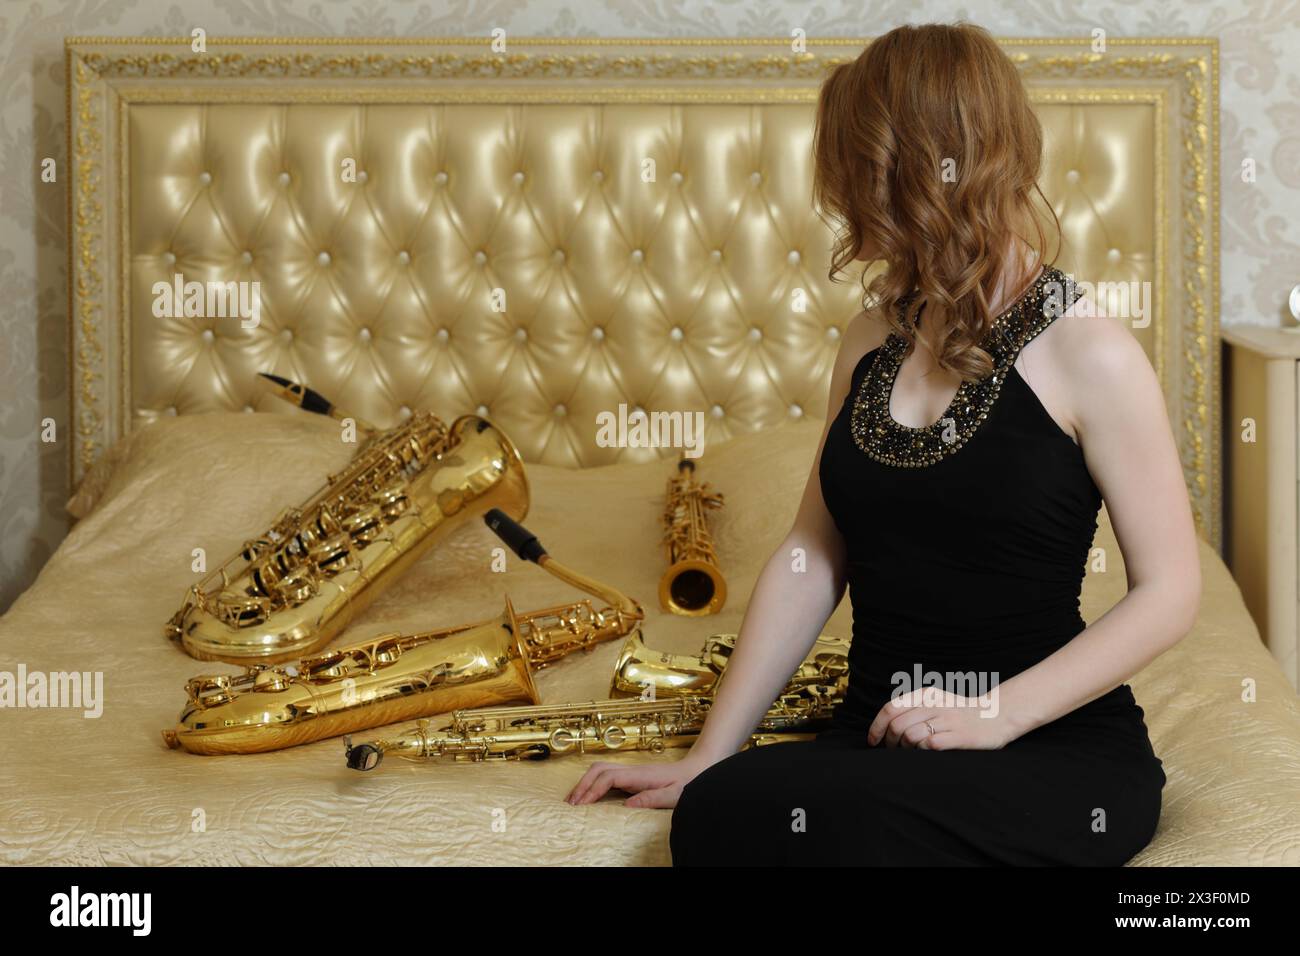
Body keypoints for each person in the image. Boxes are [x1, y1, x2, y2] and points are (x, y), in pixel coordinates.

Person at [566, 22, 1201, 866]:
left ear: (925, 169)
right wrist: (709, 755)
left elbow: (1172, 590)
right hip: (877, 738)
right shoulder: (871, 337)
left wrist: (994, 714)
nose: (842, 200)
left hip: (1048, 750)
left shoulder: (1093, 352)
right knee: (721, 811)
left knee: (824, 827)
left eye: (858, 174)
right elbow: (812, 554)